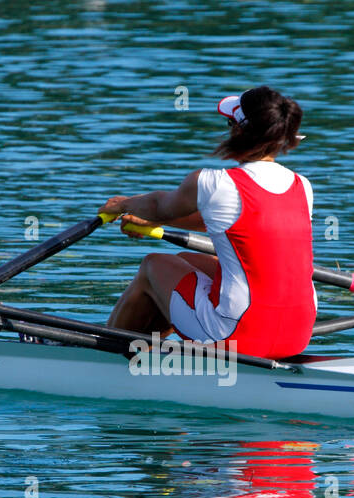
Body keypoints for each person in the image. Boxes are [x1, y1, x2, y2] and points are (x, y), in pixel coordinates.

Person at [101, 86, 316, 360]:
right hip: (297, 335)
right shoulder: (303, 187)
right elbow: (235, 223)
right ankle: (146, 346)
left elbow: (160, 207)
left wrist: (123, 204)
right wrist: (148, 219)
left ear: (240, 130)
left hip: (238, 337)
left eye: (230, 123)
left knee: (153, 265)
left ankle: (105, 356)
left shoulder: (214, 183)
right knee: (184, 260)